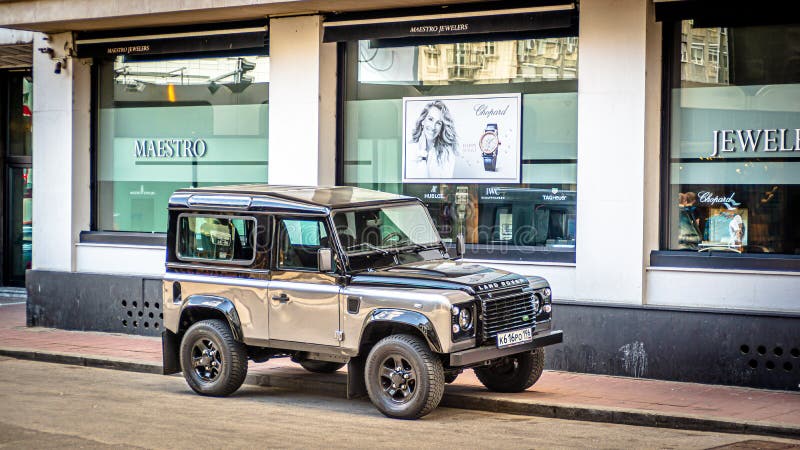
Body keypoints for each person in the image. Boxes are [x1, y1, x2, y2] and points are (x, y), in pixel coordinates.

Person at [406, 100, 458, 179]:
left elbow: (442, 186)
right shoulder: (409, 149)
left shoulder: (448, 153)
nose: (433, 126)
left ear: (442, 128)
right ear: (423, 121)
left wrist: (423, 156)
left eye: (438, 123)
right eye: (430, 119)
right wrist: (421, 151)